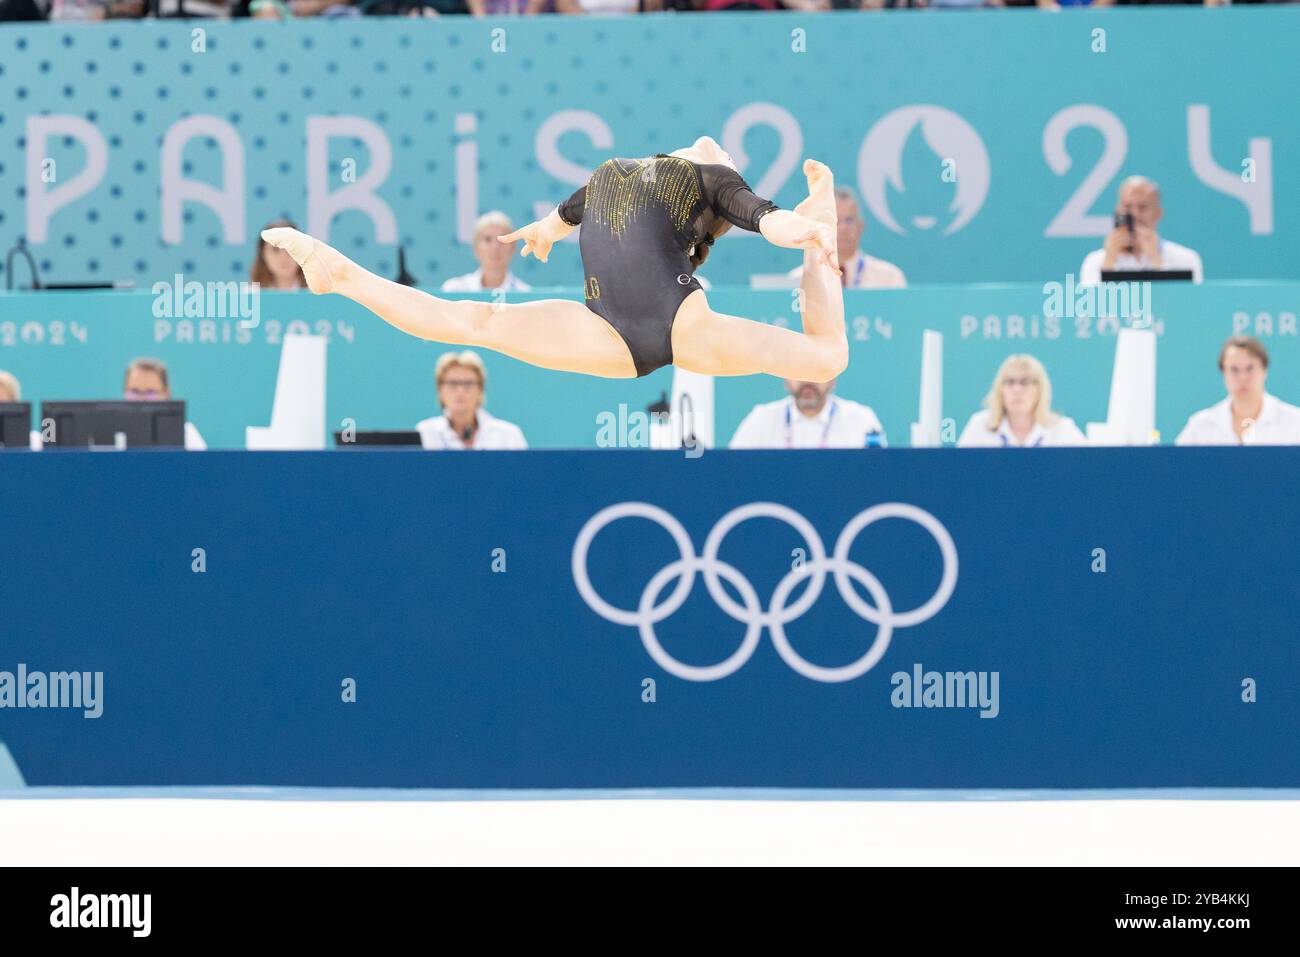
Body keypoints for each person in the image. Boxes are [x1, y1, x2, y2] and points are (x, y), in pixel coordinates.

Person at [261, 135, 846, 383]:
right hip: (622, 327)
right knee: (475, 322)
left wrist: (801, 229)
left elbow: (763, 216)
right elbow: (564, 216)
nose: (708, 144)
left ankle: (824, 231)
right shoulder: (621, 177)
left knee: (827, 358)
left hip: (662, 322)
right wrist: (544, 232)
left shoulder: (704, 178)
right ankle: (339, 275)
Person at [1175, 336, 1300, 445]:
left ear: (1264, 370)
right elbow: (1176, 466)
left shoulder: (1295, 422)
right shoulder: (1200, 426)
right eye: (1234, 369)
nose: (1242, 377)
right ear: (1223, 372)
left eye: (1250, 368)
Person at [1079, 176, 1203, 285]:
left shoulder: (1186, 259)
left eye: (1143, 207)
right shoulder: (1095, 261)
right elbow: (1090, 308)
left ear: (1158, 213)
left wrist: (1156, 261)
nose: (1134, 215)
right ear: (1117, 212)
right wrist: (1109, 262)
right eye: (1127, 206)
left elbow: (1187, 304)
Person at [786, 185, 905, 289]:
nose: (843, 228)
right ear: (820, 229)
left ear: (860, 227)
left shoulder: (889, 278)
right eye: (835, 221)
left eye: (849, 220)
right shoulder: (800, 279)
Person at [957, 354, 1086, 447]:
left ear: (1039, 389)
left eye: (1025, 382)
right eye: (1010, 382)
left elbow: (1088, 470)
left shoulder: (1062, 429)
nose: (1017, 389)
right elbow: (959, 473)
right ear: (1000, 389)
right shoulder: (980, 425)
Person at [415, 351, 527, 450]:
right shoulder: (425, 433)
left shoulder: (508, 435)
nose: (460, 391)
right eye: (452, 383)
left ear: (480, 390)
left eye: (468, 384)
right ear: (440, 390)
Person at [730, 378, 886, 448]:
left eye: (816, 372)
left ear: (833, 379)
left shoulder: (862, 419)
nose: (807, 380)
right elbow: (733, 468)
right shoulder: (761, 418)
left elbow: (879, 471)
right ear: (785, 379)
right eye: (798, 372)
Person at [123, 358, 208, 450]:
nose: (141, 399)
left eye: (150, 392)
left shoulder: (186, 434)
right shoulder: (110, 432)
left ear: (166, 393)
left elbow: (204, 463)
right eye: (134, 391)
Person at [440, 212, 533, 293]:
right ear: (476, 247)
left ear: (513, 248)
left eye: (502, 239)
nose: (495, 247)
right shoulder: (454, 290)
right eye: (487, 239)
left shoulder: (525, 294)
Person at [251, 220, 308, 290]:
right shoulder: (251, 295)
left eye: (290, 249)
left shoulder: (318, 294)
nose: (283, 257)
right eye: (275, 249)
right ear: (263, 254)